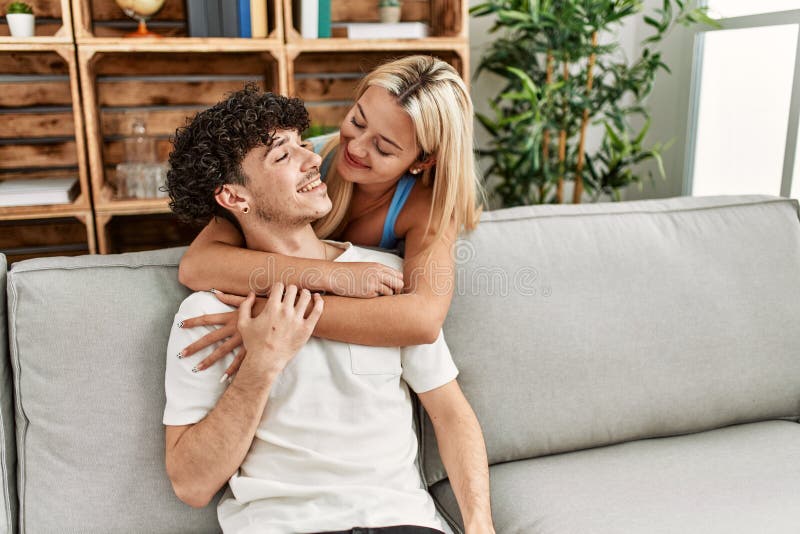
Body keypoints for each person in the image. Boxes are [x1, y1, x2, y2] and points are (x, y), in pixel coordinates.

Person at [163, 87, 494, 533]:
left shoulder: (389, 280)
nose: (315, 157)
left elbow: (451, 412)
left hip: (402, 523)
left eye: (303, 143)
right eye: (282, 156)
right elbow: (192, 486)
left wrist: (480, 527)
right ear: (234, 198)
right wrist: (261, 364)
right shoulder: (210, 312)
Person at [175, 55, 483, 380]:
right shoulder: (304, 162)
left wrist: (270, 315)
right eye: (358, 122)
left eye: (384, 147)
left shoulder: (425, 206)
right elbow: (197, 266)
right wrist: (334, 276)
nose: (357, 148)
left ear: (424, 159)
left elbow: (422, 320)